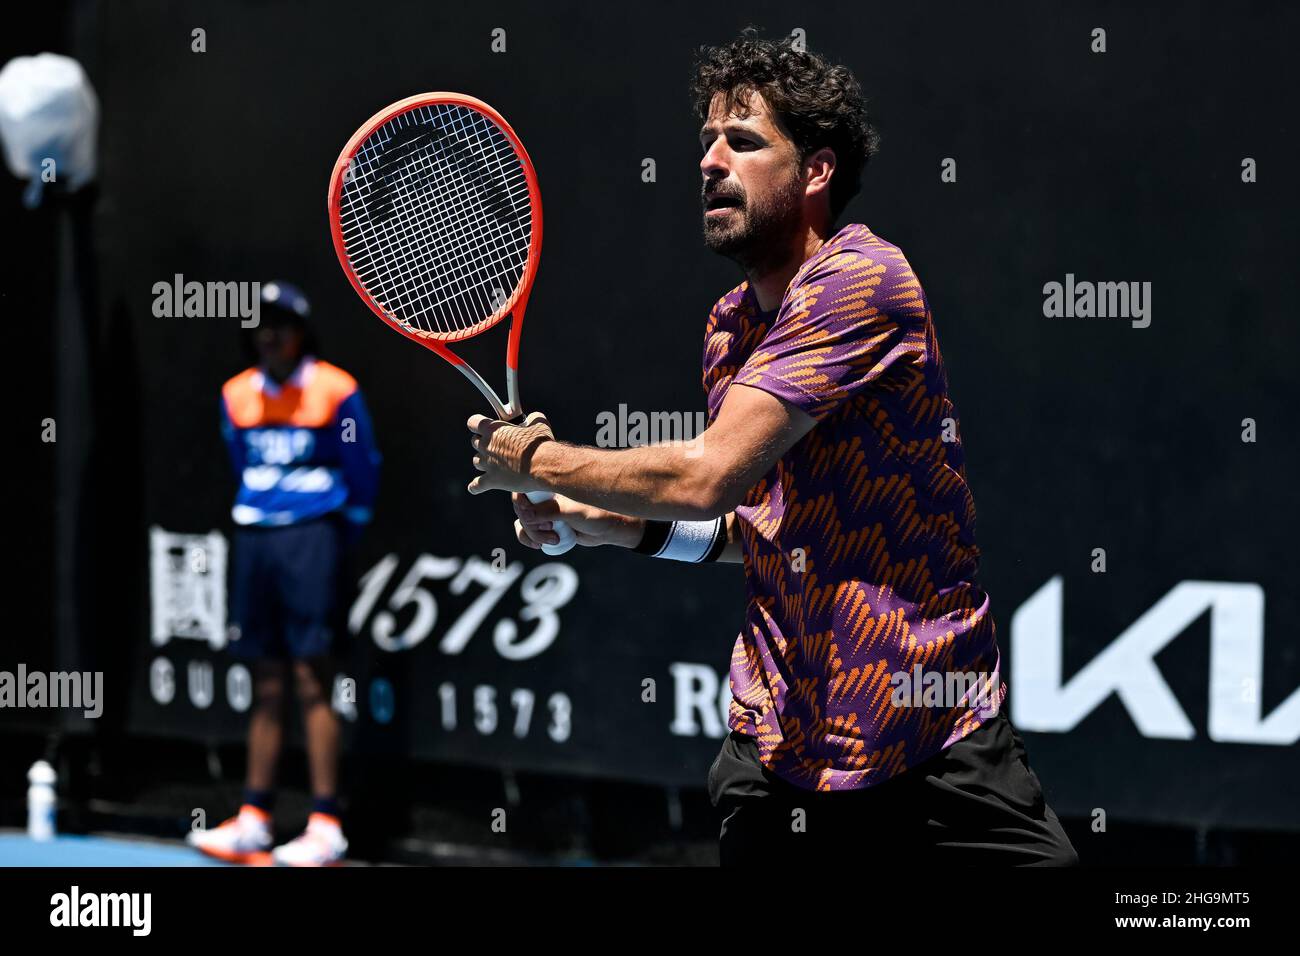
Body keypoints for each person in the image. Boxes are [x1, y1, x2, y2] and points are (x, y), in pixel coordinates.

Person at [465, 31, 1078, 866]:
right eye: (706, 142)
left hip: (931, 742)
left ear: (816, 171)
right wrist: (610, 523)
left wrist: (533, 461)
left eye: (743, 142)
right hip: (781, 752)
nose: (710, 162)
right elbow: (758, 526)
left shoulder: (863, 281)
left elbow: (708, 476)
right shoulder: (729, 328)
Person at [188, 280, 380, 866]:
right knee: (266, 681)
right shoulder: (235, 396)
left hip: (312, 540)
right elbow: (240, 465)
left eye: (281, 325)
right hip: (255, 541)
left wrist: (332, 532)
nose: (269, 335)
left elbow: (362, 469)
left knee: (311, 677)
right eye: (260, 326)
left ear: (301, 332)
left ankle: (326, 825)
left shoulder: (335, 390)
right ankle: (255, 818)